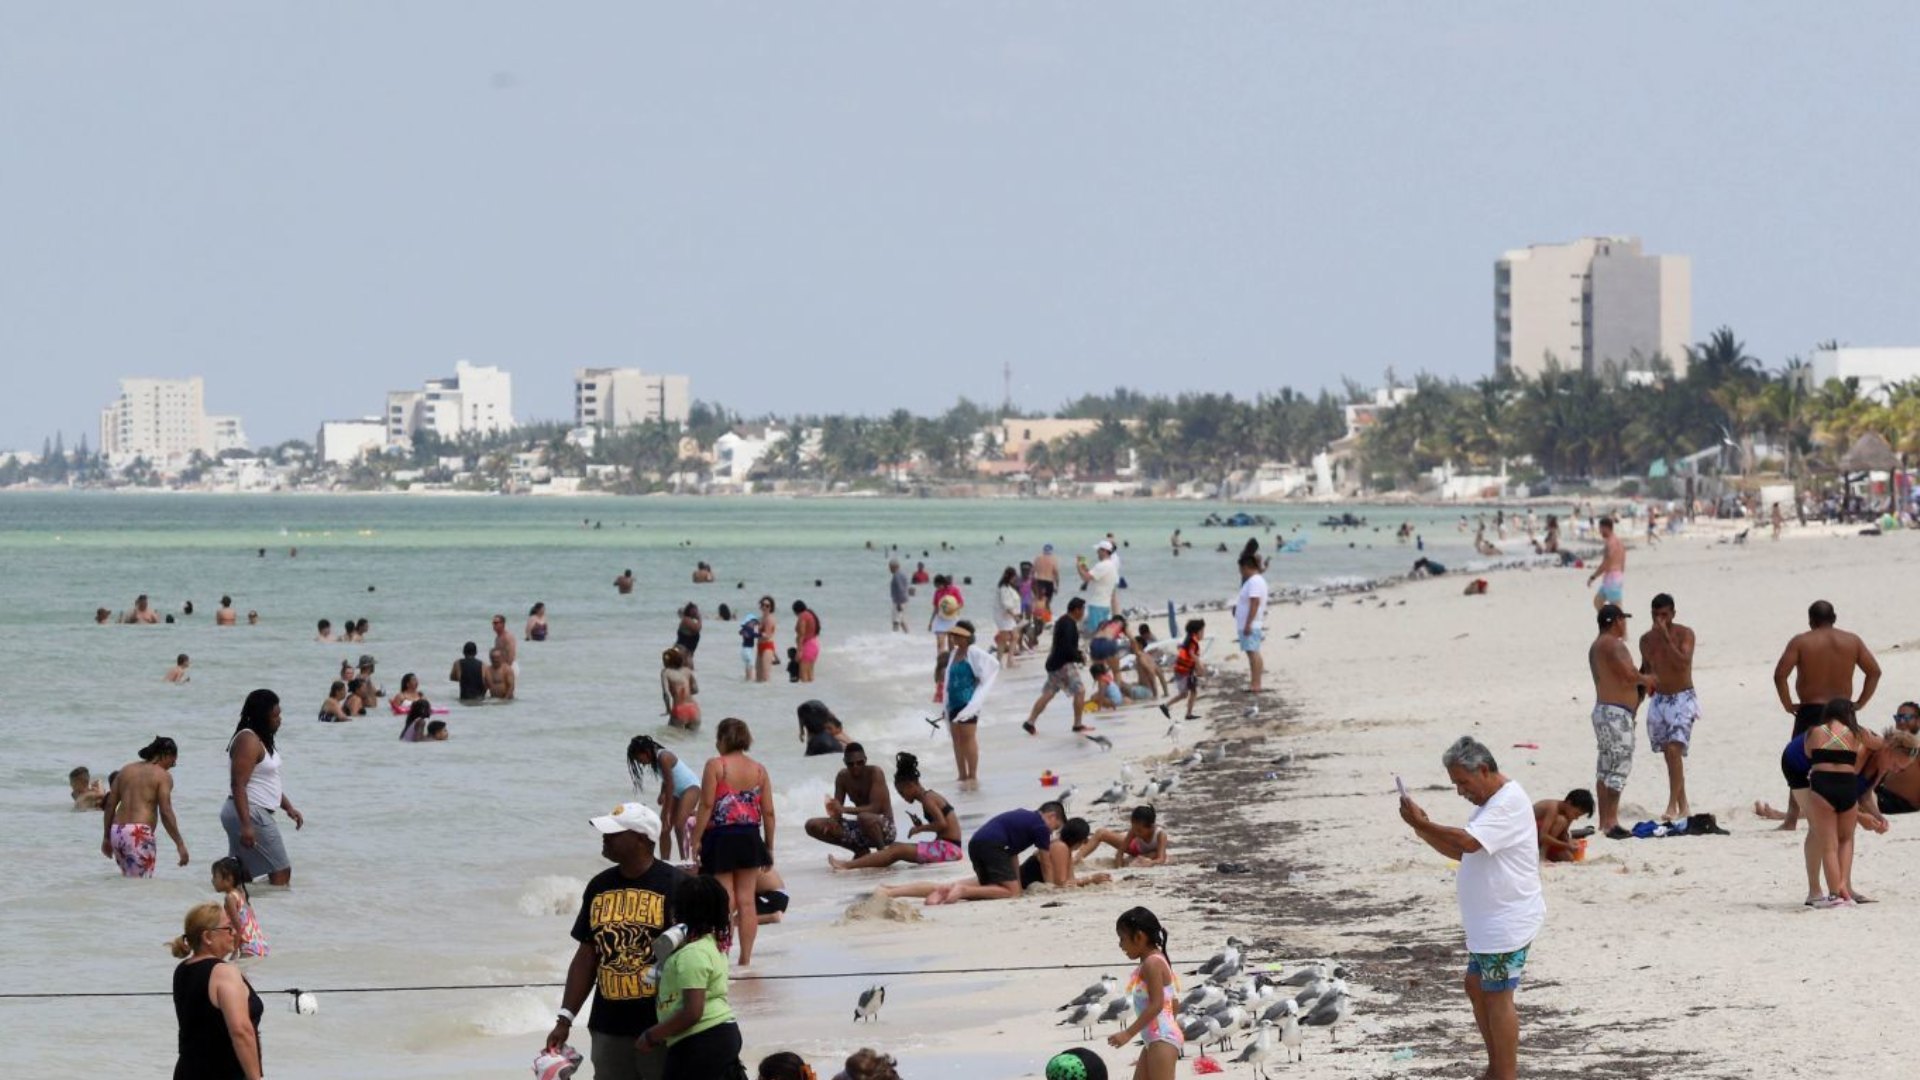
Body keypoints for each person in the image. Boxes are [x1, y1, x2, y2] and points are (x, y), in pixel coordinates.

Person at [1398, 737, 1544, 1080]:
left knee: (1497, 995)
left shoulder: (1507, 801)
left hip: (1507, 919)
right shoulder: (1490, 803)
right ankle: (1496, 1069)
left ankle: (1505, 1074)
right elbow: (1463, 852)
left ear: (1483, 770)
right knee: (1477, 986)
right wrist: (1422, 830)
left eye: (1462, 782)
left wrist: (1423, 824)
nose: (1460, 791)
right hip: (1489, 922)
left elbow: (1467, 841)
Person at [547, 803, 687, 1080]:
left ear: (641, 839)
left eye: (613, 833)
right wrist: (565, 1019)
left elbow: (695, 955)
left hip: (661, 1027)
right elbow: (587, 955)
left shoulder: (676, 884)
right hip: (607, 1028)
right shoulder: (599, 886)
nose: (605, 837)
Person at [1770, 600, 1882, 830]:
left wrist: (1787, 703)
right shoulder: (1852, 641)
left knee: (1799, 760)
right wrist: (1860, 702)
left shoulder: (1802, 641)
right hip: (1843, 710)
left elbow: (1780, 674)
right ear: (1835, 617)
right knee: (1848, 762)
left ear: (1811, 620)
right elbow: (1874, 672)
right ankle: (1849, 812)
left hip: (1811, 708)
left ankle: (1792, 818)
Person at [688, 718, 776, 966]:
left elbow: (706, 805)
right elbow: (768, 812)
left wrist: (695, 840)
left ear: (724, 739)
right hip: (749, 837)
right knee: (747, 901)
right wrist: (769, 846)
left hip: (721, 838)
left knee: (725, 900)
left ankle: (722, 956)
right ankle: (746, 958)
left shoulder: (716, 766)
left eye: (718, 738)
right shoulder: (759, 770)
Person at [641, 875, 746, 1077]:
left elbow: (692, 1012)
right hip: (718, 1033)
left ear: (678, 910)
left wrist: (652, 1035)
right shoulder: (711, 945)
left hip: (702, 1038)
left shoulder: (692, 954)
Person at [169, 902, 265, 1080]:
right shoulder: (223, 972)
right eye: (228, 928)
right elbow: (241, 1031)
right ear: (207, 936)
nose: (235, 933)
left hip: (187, 1071)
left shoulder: (182, 969)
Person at [222, 690, 303, 887]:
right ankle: (274, 913)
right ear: (262, 716)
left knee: (244, 873)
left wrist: (288, 808)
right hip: (251, 812)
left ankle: (241, 910)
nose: (279, 720)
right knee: (281, 871)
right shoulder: (248, 740)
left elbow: (267, 782)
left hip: (247, 811)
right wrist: (247, 825)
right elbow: (238, 784)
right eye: (275, 716)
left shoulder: (262, 740)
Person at [829, 752, 962, 871]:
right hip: (946, 847)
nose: (902, 797)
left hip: (949, 850)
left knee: (897, 850)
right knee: (895, 847)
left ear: (911, 785)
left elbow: (942, 824)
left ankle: (847, 866)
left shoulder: (928, 799)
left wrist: (919, 829)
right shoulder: (929, 797)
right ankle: (853, 864)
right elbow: (942, 825)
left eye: (902, 792)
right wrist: (922, 826)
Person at [1588, 604, 1655, 838]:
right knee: (1619, 766)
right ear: (1616, 621)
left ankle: (1604, 821)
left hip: (1603, 711)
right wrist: (1647, 679)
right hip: (1616, 715)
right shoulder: (1614, 645)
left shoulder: (1597, 646)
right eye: (1623, 620)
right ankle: (1611, 822)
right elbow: (1628, 677)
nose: (1625, 625)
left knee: (1605, 766)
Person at [1803, 700, 1878, 908]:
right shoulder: (1857, 733)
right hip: (1847, 786)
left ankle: (1835, 894)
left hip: (1822, 785)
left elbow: (1809, 754)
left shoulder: (1814, 731)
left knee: (1829, 845)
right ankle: (1844, 889)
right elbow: (1878, 745)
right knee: (1846, 839)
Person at [1639, 593, 1700, 821]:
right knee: (1669, 755)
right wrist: (1634, 704)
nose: (1659, 620)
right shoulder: (1646, 640)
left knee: (1675, 751)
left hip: (1682, 697)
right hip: (1660, 700)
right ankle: (1684, 805)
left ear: (1673, 614)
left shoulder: (1685, 634)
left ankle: (1672, 805)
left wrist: (1666, 638)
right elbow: (1646, 671)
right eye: (1655, 615)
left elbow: (1683, 662)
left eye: (1664, 615)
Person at [1106, 906, 1181, 1079]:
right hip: (1156, 1037)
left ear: (1139, 937)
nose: (1120, 945)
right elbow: (1174, 1002)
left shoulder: (1152, 964)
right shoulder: (1155, 960)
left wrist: (1127, 1033)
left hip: (1161, 1038)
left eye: (1122, 939)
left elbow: (1157, 1004)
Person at [942, 801, 1064, 903]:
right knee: (1012, 892)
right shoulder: (1041, 826)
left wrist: (1019, 885)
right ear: (1052, 816)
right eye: (1055, 827)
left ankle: (947, 891)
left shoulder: (1024, 818)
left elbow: (1012, 855)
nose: (1052, 832)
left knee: (991, 890)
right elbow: (1045, 863)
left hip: (975, 843)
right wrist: (1050, 886)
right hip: (992, 845)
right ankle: (963, 890)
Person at [101, 736, 189, 877]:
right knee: (140, 885)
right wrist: (180, 844)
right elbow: (166, 812)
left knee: (129, 881)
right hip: (138, 834)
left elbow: (110, 805)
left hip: (117, 832)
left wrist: (106, 837)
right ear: (165, 755)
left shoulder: (126, 770)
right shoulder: (162, 776)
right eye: (172, 762)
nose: (172, 767)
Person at [805, 744, 896, 858]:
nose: (855, 767)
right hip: (860, 828)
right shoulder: (842, 776)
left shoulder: (875, 772)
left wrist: (843, 809)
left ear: (865, 760)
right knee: (812, 825)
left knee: (864, 817)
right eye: (850, 764)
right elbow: (837, 810)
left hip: (884, 829)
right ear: (845, 762)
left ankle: (882, 853)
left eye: (859, 763)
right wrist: (834, 820)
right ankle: (860, 850)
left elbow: (875, 808)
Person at [940, 621, 999, 787]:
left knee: (968, 738)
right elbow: (948, 681)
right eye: (953, 635)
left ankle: (972, 774)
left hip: (968, 703)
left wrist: (980, 689)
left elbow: (992, 666)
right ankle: (962, 774)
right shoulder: (954, 654)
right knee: (956, 739)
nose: (954, 638)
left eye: (957, 635)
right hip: (953, 702)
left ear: (967, 638)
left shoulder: (973, 653)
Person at [629, 735, 702, 862]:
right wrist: (662, 793)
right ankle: (665, 861)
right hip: (675, 790)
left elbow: (671, 784)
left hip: (691, 787)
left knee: (679, 825)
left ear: (646, 752)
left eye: (638, 758)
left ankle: (685, 860)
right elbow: (667, 779)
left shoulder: (664, 757)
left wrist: (666, 812)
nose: (640, 763)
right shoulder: (656, 760)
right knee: (664, 829)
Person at [1024, 598, 1089, 736]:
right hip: (1063, 664)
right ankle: (1077, 725)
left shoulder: (1063, 621)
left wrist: (1077, 654)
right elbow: (1067, 647)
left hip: (1054, 663)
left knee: (1049, 693)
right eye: (1083, 609)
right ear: (1076, 610)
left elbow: (1063, 645)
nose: (1084, 612)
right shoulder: (1069, 624)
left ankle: (1030, 722)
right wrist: (1079, 657)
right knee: (1080, 691)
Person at [210, 856, 268, 960]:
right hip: (260, 944)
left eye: (215, 877)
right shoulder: (241, 894)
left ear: (228, 879)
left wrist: (235, 951)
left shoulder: (230, 898)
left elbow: (237, 927)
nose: (212, 880)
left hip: (248, 947)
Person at [1079, 805, 1170, 867]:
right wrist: (1119, 864)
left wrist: (1149, 863)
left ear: (1150, 826)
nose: (1136, 833)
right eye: (1134, 829)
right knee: (1101, 833)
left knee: (1155, 853)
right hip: (1134, 847)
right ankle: (1077, 858)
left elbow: (1161, 859)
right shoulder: (1134, 830)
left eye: (1139, 831)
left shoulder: (1160, 835)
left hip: (1148, 855)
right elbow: (1120, 852)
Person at [1234, 551, 1269, 693]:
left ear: (1246, 567)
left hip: (1251, 623)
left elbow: (1255, 602)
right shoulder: (1258, 579)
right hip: (1253, 622)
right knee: (1254, 652)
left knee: (1252, 653)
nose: (1241, 573)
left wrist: (1248, 623)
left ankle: (1255, 684)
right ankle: (1256, 683)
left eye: (1241, 570)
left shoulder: (1254, 581)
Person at [1158, 619, 1206, 722]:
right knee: (1186, 693)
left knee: (1191, 692)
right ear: (1196, 632)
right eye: (1202, 631)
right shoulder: (1193, 641)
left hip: (1185, 671)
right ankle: (1167, 706)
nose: (1203, 634)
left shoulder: (1189, 639)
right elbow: (1192, 654)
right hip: (1183, 671)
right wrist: (1200, 666)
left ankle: (1186, 712)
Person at [1532, 790, 1595, 863]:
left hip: (1543, 837)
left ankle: (1545, 852)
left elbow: (1563, 834)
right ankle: (1542, 854)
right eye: (1576, 814)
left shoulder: (1569, 813)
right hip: (1531, 833)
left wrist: (1570, 842)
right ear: (1569, 803)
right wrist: (1567, 845)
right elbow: (1543, 836)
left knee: (1569, 858)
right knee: (1561, 820)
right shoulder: (1553, 807)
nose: (1576, 818)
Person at [928, 576, 963, 701]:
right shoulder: (937, 592)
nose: (937, 588)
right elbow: (936, 608)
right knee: (939, 643)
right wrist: (931, 621)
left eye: (938, 585)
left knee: (951, 642)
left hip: (951, 617)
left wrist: (953, 609)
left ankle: (951, 662)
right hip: (940, 619)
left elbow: (961, 603)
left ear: (943, 583)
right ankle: (941, 663)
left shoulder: (954, 590)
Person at [1077, 541, 1120, 631]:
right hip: (1105, 604)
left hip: (1096, 605)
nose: (1097, 552)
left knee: (1094, 633)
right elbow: (1093, 576)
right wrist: (1084, 568)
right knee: (1102, 632)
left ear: (1104, 551)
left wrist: (1078, 566)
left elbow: (1086, 578)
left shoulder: (1102, 565)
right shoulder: (1112, 565)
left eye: (1098, 550)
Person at [1585, 516, 1626, 611]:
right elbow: (1623, 560)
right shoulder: (1619, 542)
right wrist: (1620, 575)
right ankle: (1607, 621)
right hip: (1614, 577)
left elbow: (1606, 563)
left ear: (1606, 528)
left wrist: (1593, 577)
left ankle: (1615, 624)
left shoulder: (1610, 543)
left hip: (1612, 579)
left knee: (1617, 609)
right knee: (1597, 602)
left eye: (1600, 529)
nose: (1600, 532)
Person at [659, 647, 701, 728]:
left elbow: (666, 694)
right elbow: (696, 690)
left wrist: (668, 709)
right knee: (693, 739)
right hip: (694, 709)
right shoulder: (687, 671)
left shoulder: (666, 672)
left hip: (680, 709)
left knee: (672, 739)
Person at [1131, 624, 1169, 699]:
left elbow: (1151, 673)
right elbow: (1161, 675)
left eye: (1133, 644)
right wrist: (1166, 693)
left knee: (1121, 687)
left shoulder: (1140, 657)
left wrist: (1155, 694)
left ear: (1140, 645)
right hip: (1147, 690)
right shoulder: (1149, 658)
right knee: (1131, 685)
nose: (1131, 646)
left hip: (1146, 691)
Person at [792, 600, 821, 682]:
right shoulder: (810, 614)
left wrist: (799, 651)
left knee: (803, 677)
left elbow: (802, 634)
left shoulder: (803, 616)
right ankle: (812, 694)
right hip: (814, 644)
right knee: (810, 676)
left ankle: (805, 695)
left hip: (807, 646)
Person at [754, 596, 778, 683]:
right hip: (760, 646)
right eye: (763, 604)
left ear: (771, 607)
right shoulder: (760, 618)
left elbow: (767, 635)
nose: (765, 607)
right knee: (758, 676)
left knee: (765, 676)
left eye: (767, 605)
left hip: (767, 647)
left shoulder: (769, 619)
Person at [888, 559, 911, 633]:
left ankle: (895, 637)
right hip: (903, 600)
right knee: (901, 620)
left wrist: (898, 603)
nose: (889, 569)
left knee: (896, 621)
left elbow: (900, 589)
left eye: (890, 567)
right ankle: (908, 635)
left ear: (895, 567)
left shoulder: (897, 576)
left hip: (899, 601)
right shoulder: (902, 574)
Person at [677, 604, 703, 669]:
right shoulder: (686, 619)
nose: (696, 612)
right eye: (694, 611)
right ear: (688, 611)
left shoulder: (691, 620)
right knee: (687, 669)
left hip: (687, 651)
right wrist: (700, 619)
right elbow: (697, 628)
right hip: (683, 650)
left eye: (696, 610)